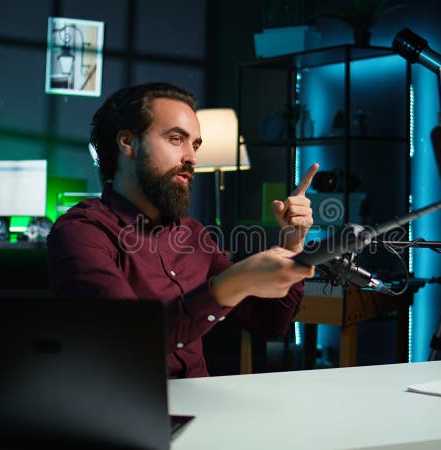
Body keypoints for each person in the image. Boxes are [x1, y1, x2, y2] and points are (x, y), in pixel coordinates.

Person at [47, 82, 319, 378]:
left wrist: (293, 244)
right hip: (129, 400)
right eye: (176, 139)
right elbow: (129, 341)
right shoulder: (82, 232)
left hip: (198, 397)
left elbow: (269, 323)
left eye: (195, 145)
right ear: (128, 142)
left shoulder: (192, 234)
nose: (192, 157)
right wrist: (232, 282)